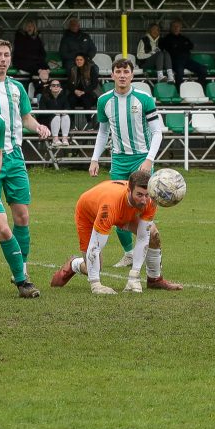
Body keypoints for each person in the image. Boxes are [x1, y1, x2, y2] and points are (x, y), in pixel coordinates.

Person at [87, 58, 178, 291]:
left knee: (143, 209)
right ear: (113, 75)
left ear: (132, 75)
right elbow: (103, 131)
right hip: (118, 160)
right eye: (118, 71)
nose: (122, 75)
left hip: (141, 158)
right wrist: (95, 158)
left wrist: (149, 159)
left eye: (126, 71)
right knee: (117, 208)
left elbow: (158, 131)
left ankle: (148, 264)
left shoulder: (144, 99)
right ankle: (129, 253)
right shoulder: (104, 101)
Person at [0, 39, 51, 297]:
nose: (3, 59)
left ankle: (22, 269)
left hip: (15, 157)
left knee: (22, 217)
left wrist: (38, 126)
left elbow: (25, 117)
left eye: (7, 55)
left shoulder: (16, 88)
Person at [50, 171, 171, 294]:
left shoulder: (150, 200)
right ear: (129, 191)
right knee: (94, 267)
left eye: (147, 195)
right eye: (139, 195)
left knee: (153, 234)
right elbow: (95, 247)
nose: (144, 200)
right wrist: (96, 285)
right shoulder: (109, 207)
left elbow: (143, 237)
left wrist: (134, 276)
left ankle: (155, 279)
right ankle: (75, 264)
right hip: (88, 213)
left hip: (121, 210)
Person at [158, 20, 207, 87]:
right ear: (170, 28)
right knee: (179, 73)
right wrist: (182, 46)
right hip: (175, 61)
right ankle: (179, 93)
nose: (176, 28)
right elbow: (166, 48)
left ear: (180, 28)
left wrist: (177, 46)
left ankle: (199, 89)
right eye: (174, 26)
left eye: (178, 26)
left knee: (203, 70)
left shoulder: (184, 38)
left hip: (187, 60)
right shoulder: (166, 39)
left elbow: (191, 46)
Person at [12, 20, 53, 94]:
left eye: (31, 26)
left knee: (45, 67)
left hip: (35, 61)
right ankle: (38, 91)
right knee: (36, 69)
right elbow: (19, 53)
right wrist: (35, 58)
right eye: (28, 26)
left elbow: (42, 52)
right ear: (24, 28)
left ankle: (46, 90)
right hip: (21, 60)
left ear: (34, 28)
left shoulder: (37, 38)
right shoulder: (20, 37)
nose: (30, 28)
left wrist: (41, 59)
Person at [67, 53, 100, 125]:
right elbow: (69, 84)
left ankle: (89, 123)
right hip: (76, 94)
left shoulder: (91, 69)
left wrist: (84, 91)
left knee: (86, 99)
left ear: (84, 60)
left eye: (81, 60)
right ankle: (71, 123)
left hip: (89, 93)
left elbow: (94, 84)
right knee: (70, 99)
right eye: (77, 60)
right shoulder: (73, 69)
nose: (79, 61)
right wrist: (75, 90)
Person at [37, 78, 71, 146]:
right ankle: (55, 139)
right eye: (53, 85)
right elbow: (42, 111)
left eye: (58, 85)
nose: (56, 87)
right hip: (46, 122)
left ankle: (65, 139)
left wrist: (62, 113)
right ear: (50, 87)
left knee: (66, 116)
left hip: (61, 123)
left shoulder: (64, 97)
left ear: (60, 88)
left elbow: (67, 108)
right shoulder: (44, 96)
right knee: (56, 116)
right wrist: (54, 114)